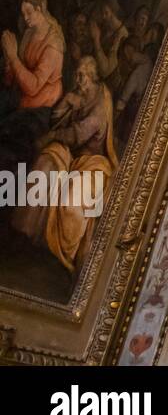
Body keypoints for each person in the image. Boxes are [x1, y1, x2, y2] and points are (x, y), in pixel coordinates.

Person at [14, 56, 114, 271]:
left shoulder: (100, 101)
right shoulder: (78, 94)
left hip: (93, 162)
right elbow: (55, 120)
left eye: (82, 76)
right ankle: (26, 234)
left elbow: (79, 134)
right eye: (76, 74)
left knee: (71, 201)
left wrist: (52, 136)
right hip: (71, 154)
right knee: (45, 162)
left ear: (93, 76)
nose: (78, 80)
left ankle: (60, 255)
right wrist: (67, 101)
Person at [0, 0, 66, 171]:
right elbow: (12, 77)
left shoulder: (53, 45)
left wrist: (13, 58)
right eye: (23, 13)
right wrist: (8, 62)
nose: (26, 17)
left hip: (36, 114)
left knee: (7, 151)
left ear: (41, 8)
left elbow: (34, 87)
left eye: (29, 12)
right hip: (19, 101)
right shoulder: (29, 33)